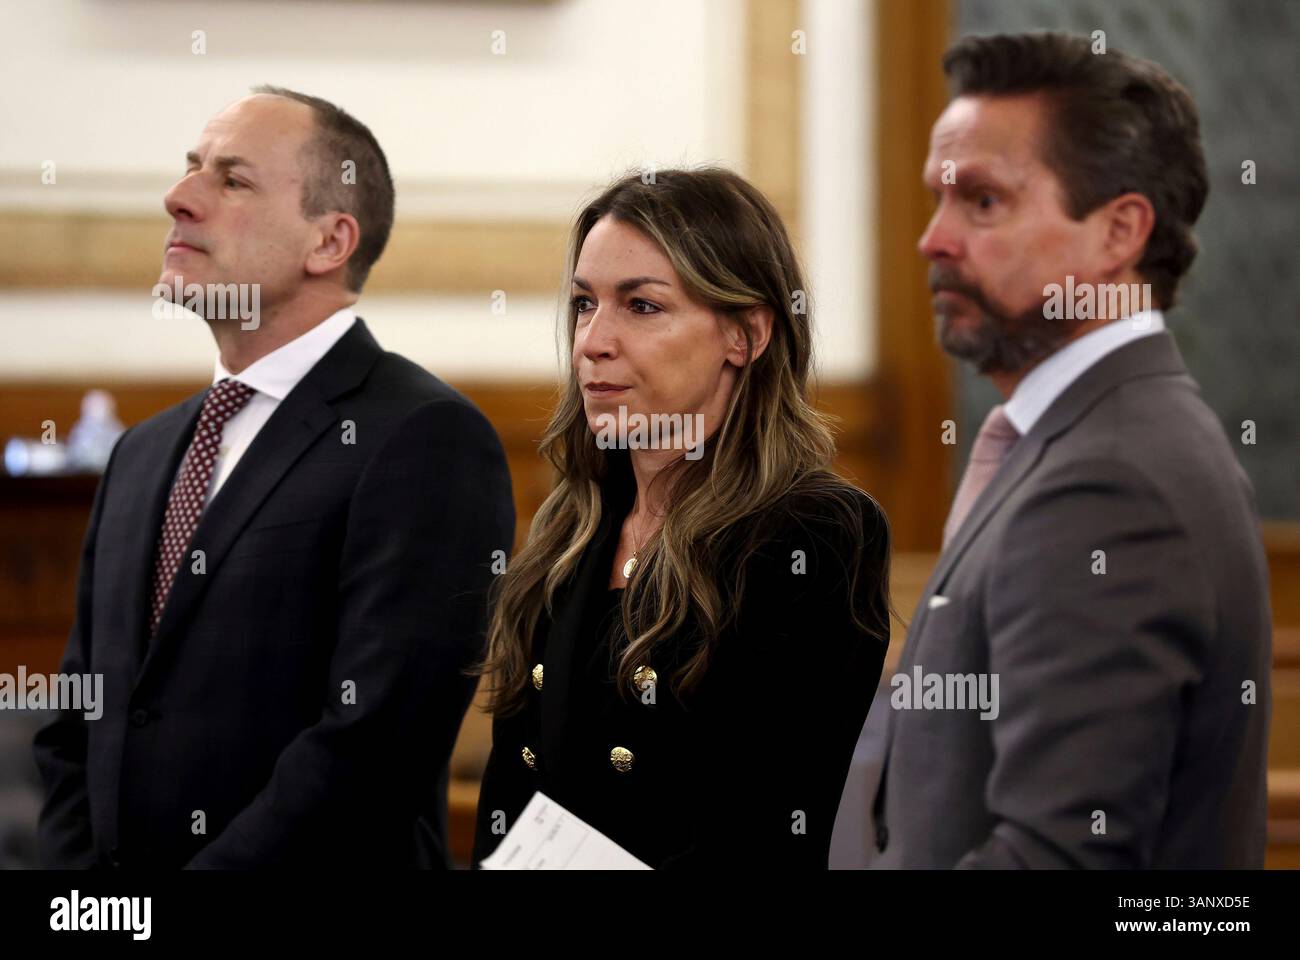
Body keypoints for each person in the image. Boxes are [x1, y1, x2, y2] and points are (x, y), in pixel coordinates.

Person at [33, 86, 514, 868]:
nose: (177, 197)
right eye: (191, 168)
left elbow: (371, 747)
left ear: (328, 242)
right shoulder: (143, 452)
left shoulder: (425, 438)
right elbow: (73, 725)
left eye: (232, 180)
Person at [870, 32, 1271, 868]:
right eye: (938, 200)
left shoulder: (1110, 478)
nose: (933, 240)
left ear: (1119, 231)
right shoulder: (1082, 436)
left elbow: (1058, 859)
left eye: (982, 202)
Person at [471, 167, 892, 869]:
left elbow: (754, 832)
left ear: (745, 334)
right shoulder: (572, 523)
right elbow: (514, 802)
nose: (592, 342)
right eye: (584, 304)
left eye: (641, 306)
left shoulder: (811, 532)